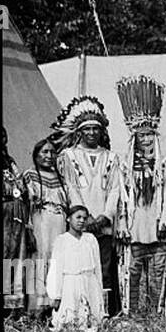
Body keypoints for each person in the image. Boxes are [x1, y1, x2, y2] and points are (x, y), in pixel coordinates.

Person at [54, 97, 123, 316]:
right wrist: (84, 216)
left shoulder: (111, 157)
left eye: (96, 129)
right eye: (87, 129)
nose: (92, 133)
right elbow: (70, 187)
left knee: (101, 268)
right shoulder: (69, 156)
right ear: (79, 132)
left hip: (103, 225)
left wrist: (105, 216)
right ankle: (76, 310)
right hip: (79, 224)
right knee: (77, 267)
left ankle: (100, 311)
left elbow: (115, 189)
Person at [114, 76, 166, 317]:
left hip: (158, 225)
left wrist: (165, 220)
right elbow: (122, 195)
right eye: (142, 135)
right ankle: (133, 312)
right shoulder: (125, 165)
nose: (147, 139)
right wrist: (122, 223)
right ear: (135, 138)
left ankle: (155, 310)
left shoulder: (165, 164)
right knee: (133, 270)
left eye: (150, 134)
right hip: (135, 226)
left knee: (158, 270)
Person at [22, 137, 69, 318]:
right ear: (36, 155)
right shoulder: (30, 175)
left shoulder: (61, 179)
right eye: (45, 152)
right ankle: (37, 308)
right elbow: (26, 204)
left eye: (52, 152)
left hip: (59, 223)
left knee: (56, 260)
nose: (49, 156)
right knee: (39, 260)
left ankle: (54, 306)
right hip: (40, 221)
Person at [46, 204, 105, 332]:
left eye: (84, 218)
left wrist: (98, 289)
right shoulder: (61, 240)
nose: (81, 221)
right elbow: (56, 270)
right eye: (78, 217)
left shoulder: (90, 239)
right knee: (70, 322)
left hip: (89, 281)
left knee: (91, 323)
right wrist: (56, 295)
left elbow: (97, 267)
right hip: (70, 283)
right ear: (68, 219)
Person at [3, 129, 30, 316]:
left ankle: (13, 308)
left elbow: (21, 187)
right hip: (3, 213)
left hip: (17, 214)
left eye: (3, 136)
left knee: (15, 258)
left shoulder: (11, 162)